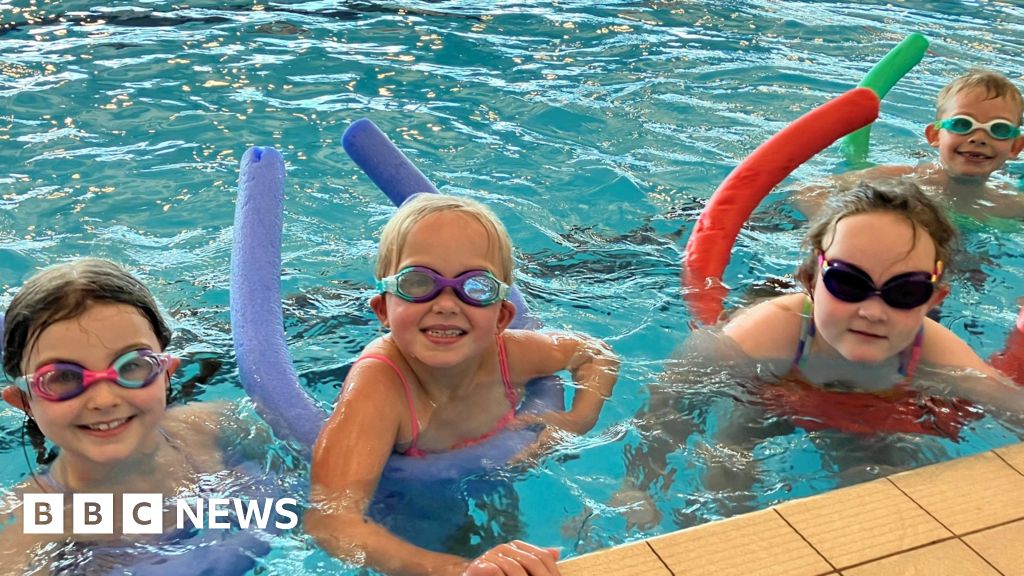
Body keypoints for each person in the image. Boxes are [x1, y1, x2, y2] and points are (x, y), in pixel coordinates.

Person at [616, 180, 1024, 530]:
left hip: (866, 418)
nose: (872, 310)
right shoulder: (764, 335)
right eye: (848, 282)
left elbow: (1011, 406)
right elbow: (669, 404)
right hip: (767, 398)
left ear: (933, 300)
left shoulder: (937, 351)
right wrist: (637, 484)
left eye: (905, 291)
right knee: (726, 475)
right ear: (810, 281)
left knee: (887, 492)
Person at [306, 193, 620, 576]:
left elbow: (594, 353)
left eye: (476, 287)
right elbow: (331, 522)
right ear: (383, 309)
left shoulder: (510, 354)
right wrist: (459, 570)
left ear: (502, 316)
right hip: (407, 503)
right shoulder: (380, 386)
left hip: (489, 479)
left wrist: (577, 420)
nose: (446, 303)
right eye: (418, 282)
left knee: (515, 546)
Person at [0, 258, 281, 573]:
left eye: (132, 365)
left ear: (165, 373)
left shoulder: (213, 429)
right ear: (23, 401)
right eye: (63, 377)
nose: (104, 399)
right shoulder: (27, 529)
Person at [797, 68, 1024, 219]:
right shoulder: (901, 180)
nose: (978, 138)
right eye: (962, 125)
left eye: (999, 129)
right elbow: (807, 193)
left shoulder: (1011, 205)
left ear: (1015, 147)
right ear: (935, 136)